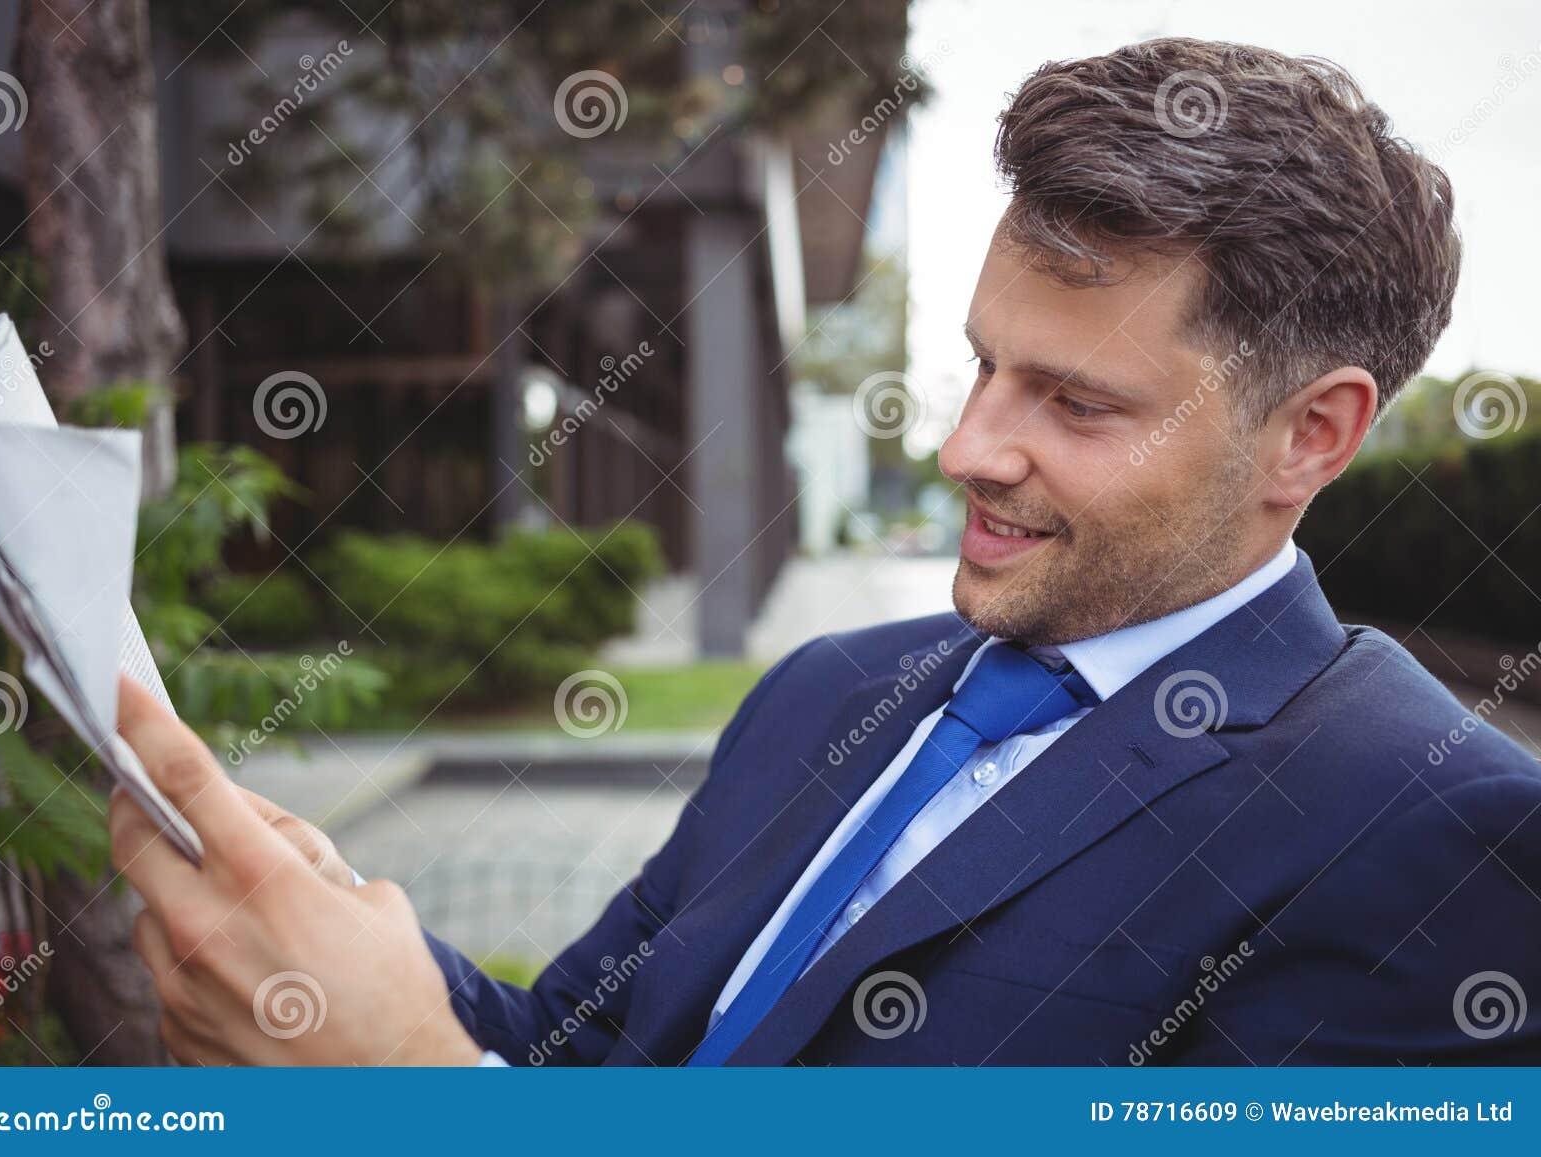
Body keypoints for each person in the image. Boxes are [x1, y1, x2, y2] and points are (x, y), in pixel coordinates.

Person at [110, 36, 1541, 1066]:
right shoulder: (823, 692)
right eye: (983, 367)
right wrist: (321, 950)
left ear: (1312, 434)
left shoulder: (1431, 832)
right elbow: (576, 1057)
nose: (969, 447)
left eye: (1076, 401)